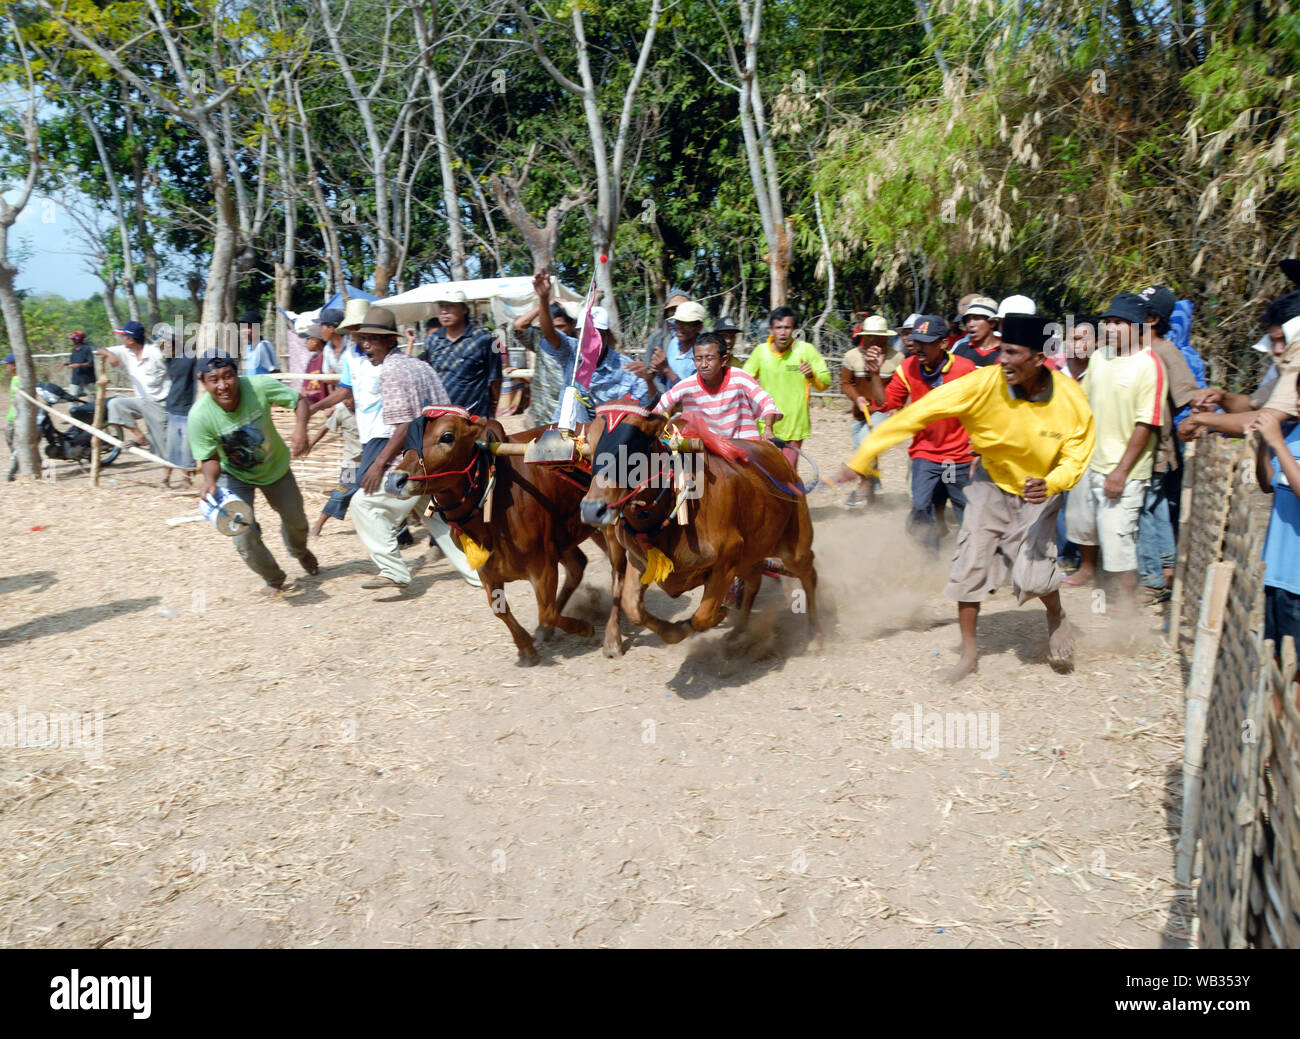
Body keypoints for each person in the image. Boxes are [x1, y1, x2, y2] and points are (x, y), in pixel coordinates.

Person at [834, 314, 1095, 682]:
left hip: (1039, 488)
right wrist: (861, 459)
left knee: (1032, 575)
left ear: (1039, 359)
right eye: (1001, 351)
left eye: (1013, 353)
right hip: (990, 482)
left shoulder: (1070, 399)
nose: (1003, 360)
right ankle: (969, 656)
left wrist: (1052, 482)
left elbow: (1077, 454)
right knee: (970, 564)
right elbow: (914, 416)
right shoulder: (982, 383)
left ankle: (1056, 614)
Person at [347, 306, 481, 591]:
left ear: (391, 341)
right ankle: (480, 572)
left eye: (373, 339)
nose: (366, 345)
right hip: (437, 459)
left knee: (363, 503)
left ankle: (393, 569)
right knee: (437, 519)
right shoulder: (419, 366)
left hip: (416, 462)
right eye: (364, 339)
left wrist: (379, 464)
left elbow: (406, 423)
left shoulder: (392, 371)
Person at [1062, 293, 1164, 613]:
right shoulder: (1101, 356)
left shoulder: (1149, 365)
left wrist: (1121, 471)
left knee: (1118, 536)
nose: (1111, 328)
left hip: (1124, 469)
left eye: (1119, 323)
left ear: (1137, 327)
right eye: (1108, 322)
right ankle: (1089, 572)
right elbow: (1083, 399)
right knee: (1084, 523)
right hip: (1090, 457)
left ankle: (1126, 603)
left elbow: (1146, 423)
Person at [189, 353, 317, 597]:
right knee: (242, 533)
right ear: (203, 382)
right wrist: (210, 481)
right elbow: (209, 458)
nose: (223, 385)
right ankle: (273, 577)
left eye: (228, 376)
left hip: (275, 466)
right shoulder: (199, 416)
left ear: (237, 375)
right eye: (214, 380)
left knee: (296, 520)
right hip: (235, 474)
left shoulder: (258, 385)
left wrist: (301, 429)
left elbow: (299, 400)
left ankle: (299, 550)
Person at [865, 314, 978, 550]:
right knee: (919, 507)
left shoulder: (966, 370)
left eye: (926, 341)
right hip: (925, 453)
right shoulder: (907, 368)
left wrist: (978, 449)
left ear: (944, 343)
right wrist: (875, 374)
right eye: (916, 340)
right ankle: (930, 555)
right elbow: (884, 403)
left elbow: (982, 410)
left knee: (965, 510)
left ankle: (972, 558)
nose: (918, 347)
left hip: (959, 455)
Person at [1134, 286, 1202, 604]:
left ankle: (1152, 580)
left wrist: (1191, 425)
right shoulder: (1137, 351)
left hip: (1155, 449)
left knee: (1142, 509)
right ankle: (1166, 567)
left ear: (1151, 319)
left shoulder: (1165, 352)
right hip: (1144, 448)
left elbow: (1190, 397)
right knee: (1154, 506)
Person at [532, 269, 655, 421]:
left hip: (605, 439)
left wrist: (648, 380)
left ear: (607, 335)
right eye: (587, 334)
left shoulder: (627, 369)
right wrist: (543, 298)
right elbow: (549, 333)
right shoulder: (571, 352)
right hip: (565, 434)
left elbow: (647, 408)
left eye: (598, 334)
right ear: (577, 334)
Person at [742, 305, 831, 468]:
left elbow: (825, 382)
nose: (783, 332)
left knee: (787, 472)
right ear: (771, 329)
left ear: (795, 329)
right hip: (766, 426)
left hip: (795, 425)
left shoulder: (806, 350)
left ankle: (794, 493)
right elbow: (744, 381)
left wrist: (812, 375)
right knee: (765, 472)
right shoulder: (760, 352)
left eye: (787, 327)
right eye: (778, 328)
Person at [652, 332, 780, 440]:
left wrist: (768, 429)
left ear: (724, 360)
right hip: (705, 449)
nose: (703, 364)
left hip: (743, 446)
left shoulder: (739, 377)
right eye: (698, 359)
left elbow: (766, 402)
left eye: (709, 358)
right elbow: (660, 405)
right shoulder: (687, 385)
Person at [1250, 409, 1300, 684]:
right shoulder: (1291, 432)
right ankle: (1273, 723)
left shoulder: (1285, 439)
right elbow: (1268, 483)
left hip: (1298, 579)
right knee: (1277, 659)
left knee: (1296, 671)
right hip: (1277, 572)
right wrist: (1263, 444)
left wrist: (1277, 443)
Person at [840, 314, 897, 506]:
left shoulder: (897, 358)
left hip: (882, 411)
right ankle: (872, 488)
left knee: (866, 447)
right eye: (870, 336)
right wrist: (857, 399)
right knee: (861, 448)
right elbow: (846, 383)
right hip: (860, 412)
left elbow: (900, 389)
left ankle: (863, 487)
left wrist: (896, 407)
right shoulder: (852, 356)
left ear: (886, 338)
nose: (873, 340)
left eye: (878, 337)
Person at [419, 288, 501, 419]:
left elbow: (495, 379)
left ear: (464, 309)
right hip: (440, 417)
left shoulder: (486, 339)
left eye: (450, 306)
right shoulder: (432, 341)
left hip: (473, 417)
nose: (444, 311)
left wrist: (493, 409)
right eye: (441, 306)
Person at [99, 320, 170, 459]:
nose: (122, 338)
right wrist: (110, 355)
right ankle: (140, 436)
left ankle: (171, 475)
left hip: (160, 404)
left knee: (163, 450)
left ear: (131, 340)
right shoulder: (126, 351)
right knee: (115, 404)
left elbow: (174, 373)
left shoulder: (155, 353)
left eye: (124, 336)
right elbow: (101, 350)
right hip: (141, 402)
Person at [308, 400, 362, 538]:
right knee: (341, 491)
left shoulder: (367, 408)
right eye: (345, 400)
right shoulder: (341, 411)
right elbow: (325, 428)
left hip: (372, 460)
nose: (347, 402)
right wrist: (310, 445)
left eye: (349, 399)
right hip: (351, 462)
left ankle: (408, 522)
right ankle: (318, 525)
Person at [161, 328, 199, 490]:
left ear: (171, 342)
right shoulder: (168, 359)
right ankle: (166, 478)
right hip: (172, 406)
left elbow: (196, 382)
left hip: (187, 408)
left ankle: (185, 479)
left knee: (186, 447)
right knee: (171, 446)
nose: (162, 345)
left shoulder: (190, 357)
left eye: (163, 342)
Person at [642, 300, 705, 391]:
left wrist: (666, 368)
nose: (679, 326)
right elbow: (667, 382)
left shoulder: (703, 354)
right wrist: (660, 370)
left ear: (699, 327)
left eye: (686, 323)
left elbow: (691, 393)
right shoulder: (674, 343)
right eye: (678, 322)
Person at [642, 288, 690, 394]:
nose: (677, 314)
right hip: (662, 395)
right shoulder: (656, 338)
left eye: (681, 309)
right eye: (673, 310)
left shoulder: (702, 338)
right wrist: (654, 370)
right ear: (667, 313)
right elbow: (647, 371)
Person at [953, 297, 1001, 367]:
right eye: (968, 320)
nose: (970, 324)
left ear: (992, 323)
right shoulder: (961, 349)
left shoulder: (1005, 352)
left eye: (977, 318)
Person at [240, 311, 279, 376]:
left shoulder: (263, 346)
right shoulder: (248, 348)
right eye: (243, 328)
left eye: (248, 328)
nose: (244, 331)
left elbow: (276, 373)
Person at [300, 324, 329, 407]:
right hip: (310, 405)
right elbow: (304, 388)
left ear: (315, 341)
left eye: (307, 339)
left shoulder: (326, 358)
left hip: (323, 407)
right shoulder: (311, 361)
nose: (305, 342)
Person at [64, 331, 96, 399]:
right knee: (72, 397)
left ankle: (92, 409)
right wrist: (68, 363)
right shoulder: (74, 349)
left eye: (73, 339)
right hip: (76, 378)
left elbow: (90, 363)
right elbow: (74, 362)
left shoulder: (87, 349)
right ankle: (74, 409)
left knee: (91, 397)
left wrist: (79, 365)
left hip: (87, 378)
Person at [4, 352, 17, 481]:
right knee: (8, 435)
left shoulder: (18, 380)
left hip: (16, 417)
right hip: (12, 416)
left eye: (7, 365)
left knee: (10, 437)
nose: (6, 367)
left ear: (14, 366)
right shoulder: (15, 379)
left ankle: (17, 461)